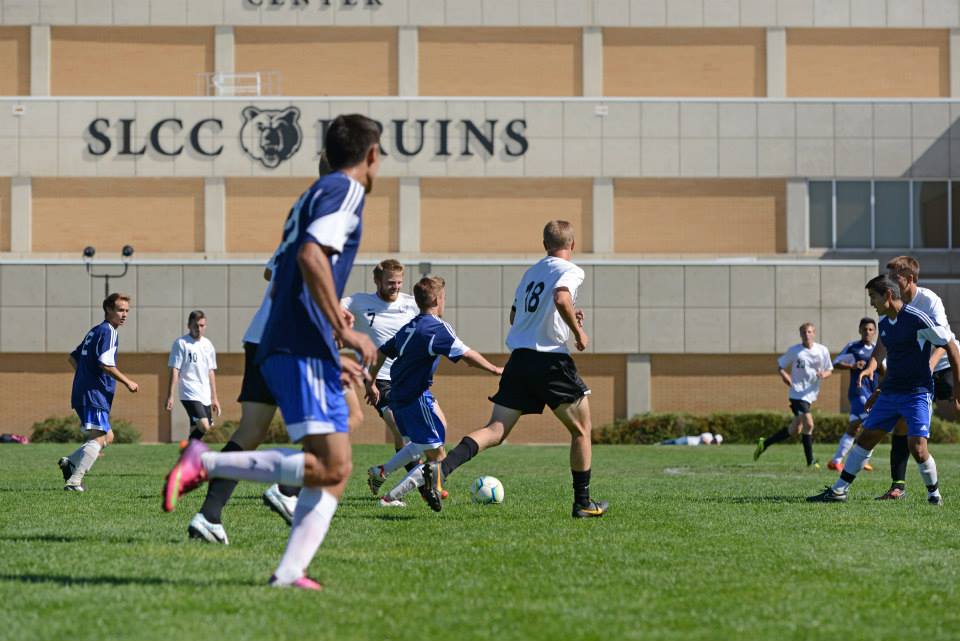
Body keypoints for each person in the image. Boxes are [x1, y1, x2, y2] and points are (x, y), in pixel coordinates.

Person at [163, 113, 381, 590]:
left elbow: (292, 265)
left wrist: (330, 342)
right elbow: (309, 257)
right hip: (295, 341)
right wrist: (344, 336)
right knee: (328, 463)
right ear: (370, 155)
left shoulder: (313, 194)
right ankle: (205, 463)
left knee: (336, 468)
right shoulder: (346, 191)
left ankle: (288, 572)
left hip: (297, 339)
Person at [419, 220, 608, 518]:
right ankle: (583, 501)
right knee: (582, 430)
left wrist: (563, 317)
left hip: (519, 359)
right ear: (572, 244)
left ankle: (441, 470)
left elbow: (515, 316)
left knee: (495, 430)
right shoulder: (571, 270)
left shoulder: (531, 273)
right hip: (550, 361)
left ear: (544, 244)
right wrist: (577, 332)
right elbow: (561, 298)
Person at [808, 275, 960, 504]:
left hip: (917, 393)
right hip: (890, 393)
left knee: (917, 447)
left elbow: (951, 347)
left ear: (888, 295)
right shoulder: (885, 323)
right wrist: (876, 381)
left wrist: (958, 390)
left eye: (873, 297)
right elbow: (883, 352)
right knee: (866, 437)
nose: (871, 303)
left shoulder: (917, 319)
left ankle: (934, 494)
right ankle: (839, 490)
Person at [366, 276, 502, 508]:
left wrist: (370, 381)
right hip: (414, 397)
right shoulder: (437, 328)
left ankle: (381, 471)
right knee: (438, 457)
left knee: (425, 441)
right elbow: (466, 355)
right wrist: (494, 368)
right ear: (439, 299)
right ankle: (391, 498)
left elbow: (381, 352)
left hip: (400, 394)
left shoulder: (410, 326)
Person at [865, 256, 957, 500]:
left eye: (895, 278)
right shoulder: (890, 304)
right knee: (902, 425)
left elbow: (944, 342)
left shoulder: (929, 301)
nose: (890, 282)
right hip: (914, 372)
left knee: (955, 410)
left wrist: (926, 366)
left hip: (944, 366)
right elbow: (885, 343)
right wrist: (873, 366)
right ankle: (898, 486)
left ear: (910, 279)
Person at [340, 259, 421, 491]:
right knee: (401, 430)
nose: (395, 286)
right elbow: (329, 306)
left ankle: (380, 473)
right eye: (390, 282)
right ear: (377, 281)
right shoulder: (359, 302)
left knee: (404, 436)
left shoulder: (411, 304)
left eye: (398, 282)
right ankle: (422, 485)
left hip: (407, 378)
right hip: (378, 379)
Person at [58, 293, 139, 491]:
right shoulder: (109, 331)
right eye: (120, 310)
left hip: (85, 391)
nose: (124, 314)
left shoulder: (95, 331)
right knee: (99, 437)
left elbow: (73, 358)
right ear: (108, 310)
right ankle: (75, 480)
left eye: (127, 311)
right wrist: (128, 382)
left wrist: (86, 376)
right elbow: (105, 363)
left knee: (107, 436)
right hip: (94, 394)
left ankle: (70, 462)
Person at [753, 323, 832, 468]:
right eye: (803, 332)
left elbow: (829, 370)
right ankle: (811, 461)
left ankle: (765, 443)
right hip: (797, 393)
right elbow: (780, 366)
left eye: (809, 332)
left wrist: (823, 374)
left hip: (810, 394)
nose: (806, 334)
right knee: (809, 424)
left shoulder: (822, 350)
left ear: (814, 333)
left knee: (795, 429)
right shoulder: (795, 351)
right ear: (800, 334)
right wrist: (784, 375)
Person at [826, 318, 878, 472]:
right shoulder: (853, 347)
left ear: (874, 332)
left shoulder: (878, 349)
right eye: (864, 329)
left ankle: (836, 461)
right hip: (858, 391)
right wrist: (852, 365)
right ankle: (862, 459)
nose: (867, 332)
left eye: (870, 329)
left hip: (873, 392)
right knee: (874, 421)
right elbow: (835, 363)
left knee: (854, 427)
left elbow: (885, 370)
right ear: (859, 330)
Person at [167, 310, 220, 443]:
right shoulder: (181, 343)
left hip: (204, 393)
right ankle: (187, 453)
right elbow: (175, 370)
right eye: (195, 325)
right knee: (205, 426)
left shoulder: (208, 345)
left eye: (202, 326)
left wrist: (215, 398)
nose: (199, 329)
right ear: (189, 325)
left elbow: (211, 372)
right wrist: (171, 395)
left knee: (197, 428)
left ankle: (188, 458)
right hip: (188, 391)